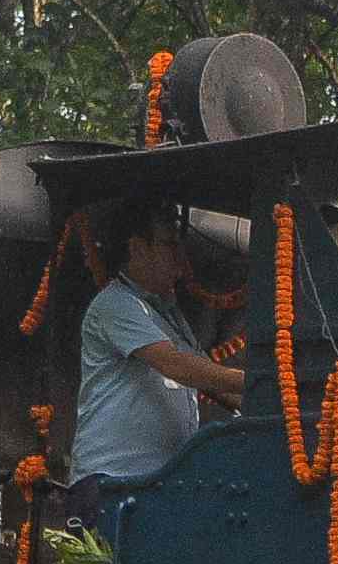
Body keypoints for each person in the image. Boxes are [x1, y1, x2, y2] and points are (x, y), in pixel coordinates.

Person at [66, 205, 246, 503]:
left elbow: (209, 379)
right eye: (169, 245)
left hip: (159, 484)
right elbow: (174, 364)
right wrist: (249, 379)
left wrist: (277, 401)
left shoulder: (169, 315)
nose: (180, 257)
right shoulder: (117, 303)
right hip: (111, 482)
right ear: (137, 248)